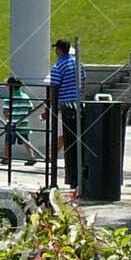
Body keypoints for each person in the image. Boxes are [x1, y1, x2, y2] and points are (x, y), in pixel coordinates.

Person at [45, 38, 83, 184]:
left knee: (61, 133)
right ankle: (55, 157)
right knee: (72, 135)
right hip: (77, 104)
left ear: (59, 50)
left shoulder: (57, 66)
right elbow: (83, 82)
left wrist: (48, 107)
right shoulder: (79, 64)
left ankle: (52, 158)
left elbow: (53, 89)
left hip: (63, 105)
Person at [1, 75, 40, 166]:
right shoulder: (25, 96)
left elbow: (5, 111)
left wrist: (7, 119)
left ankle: (6, 158)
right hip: (23, 123)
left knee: (8, 142)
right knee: (26, 141)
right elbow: (30, 108)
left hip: (12, 123)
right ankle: (32, 157)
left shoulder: (9, 98)